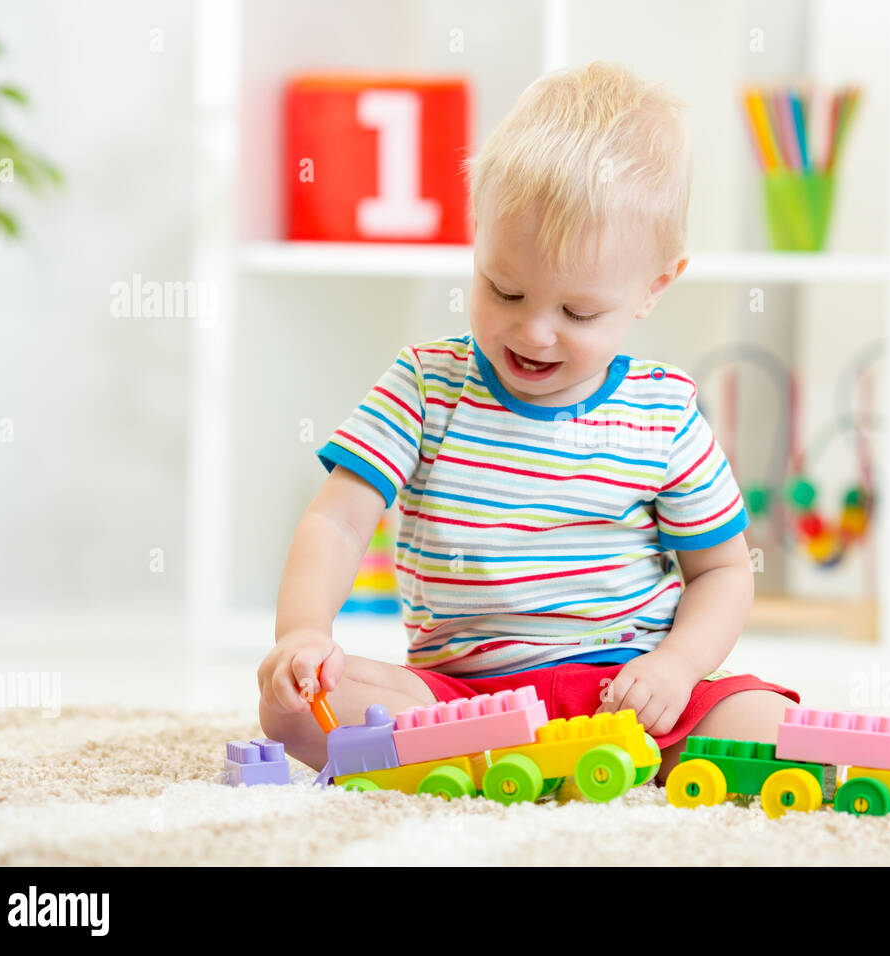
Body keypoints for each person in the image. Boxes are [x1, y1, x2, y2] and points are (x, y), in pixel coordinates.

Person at [259, 61, 799, 785]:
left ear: (653, 288)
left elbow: (723, 571)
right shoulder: (426, 386)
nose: (534, 333)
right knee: (294, 707)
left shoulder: (664, 413)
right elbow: (337, 524)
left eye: (578, 313)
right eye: (504, 289)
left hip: (629, 697)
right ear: (479, 238)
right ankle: (475, 751)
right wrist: (302, 634)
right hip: (461, 695)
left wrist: (676, 666)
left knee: (774, 729)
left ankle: (536, 763)